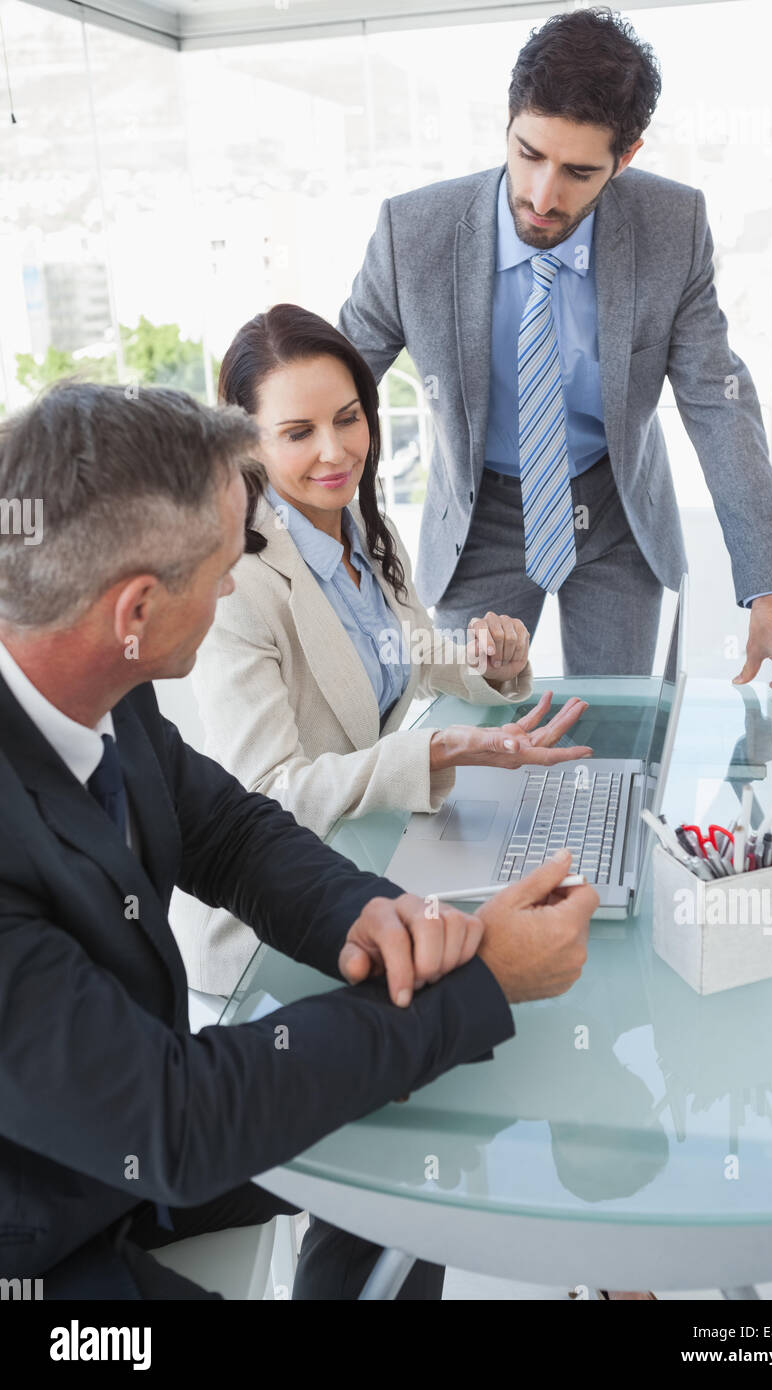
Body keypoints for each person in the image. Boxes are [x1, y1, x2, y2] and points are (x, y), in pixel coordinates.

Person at [0, 380, 599, 1301]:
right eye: (219, 566)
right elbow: (175, 1120)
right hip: (40, 1233)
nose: (235, 581)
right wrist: (479, 982)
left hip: (127, 1147)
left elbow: (230, 834)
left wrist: (370, 916)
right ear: (134, 613)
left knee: (412, 1096)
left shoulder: (110, 683)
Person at [337, 6, 772, 698]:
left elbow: (718, 401)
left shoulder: (672, 226)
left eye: (578, 171)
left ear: (626, 158)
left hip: (614, 507)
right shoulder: (412, 233)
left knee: (616, 722)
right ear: (508, 123)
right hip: (482, 515)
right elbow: (334, 379)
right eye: (528, 154)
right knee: (474, 725)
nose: (541, 196)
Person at [171, 303, 593, 997]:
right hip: (266, 938)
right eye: (298, 432)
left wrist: (493, 660)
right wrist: (431, 754)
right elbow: (268, 798)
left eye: (348, 417)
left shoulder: (366, 526)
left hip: (363, 861)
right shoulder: (234, 581)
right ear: (248, 444)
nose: (335, 452)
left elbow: (414, 652)